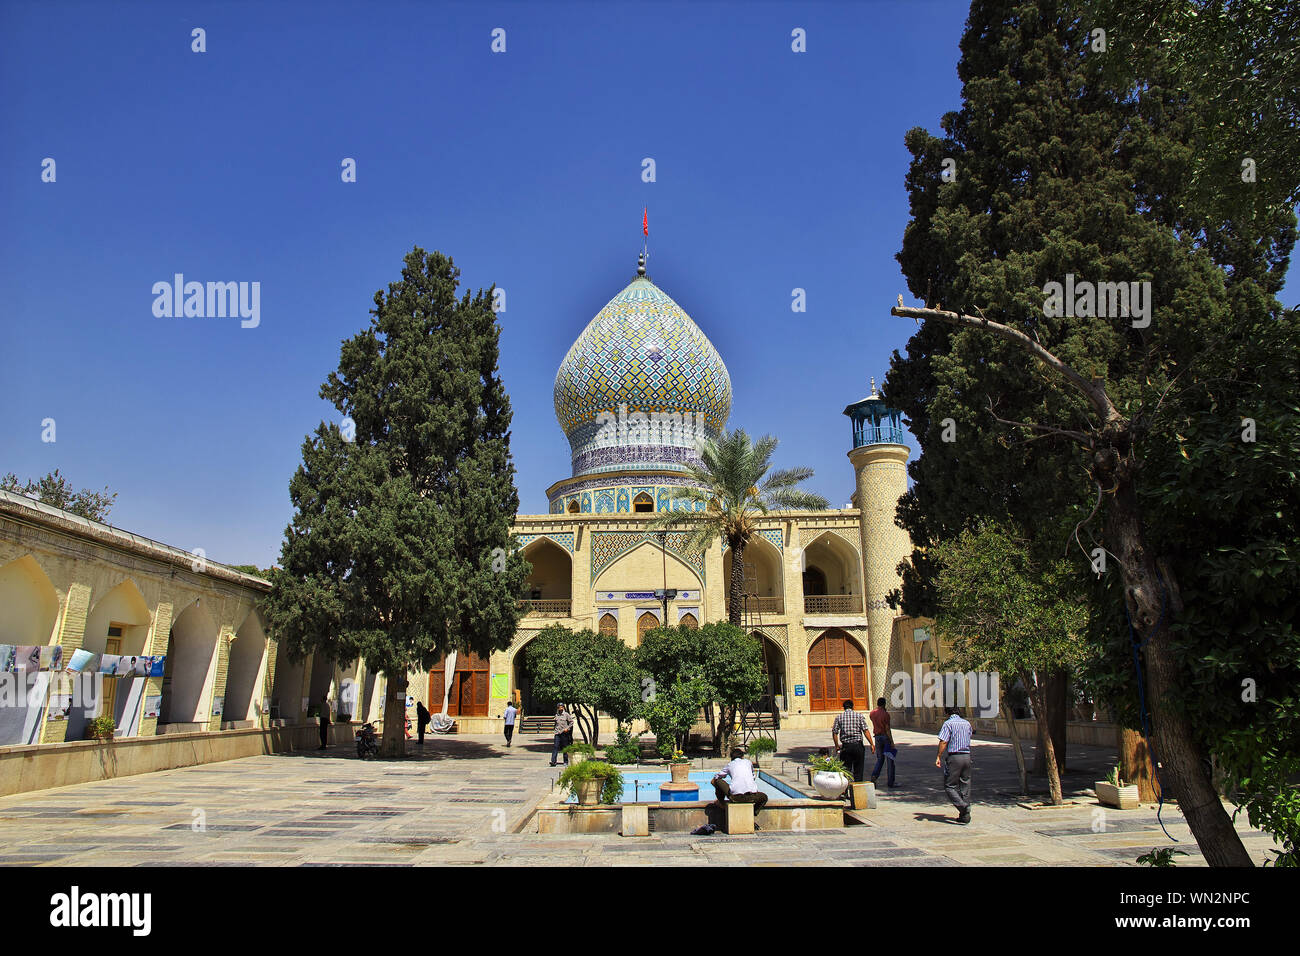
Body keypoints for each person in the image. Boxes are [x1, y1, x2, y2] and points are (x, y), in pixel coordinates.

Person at [936, 706, 974, 823]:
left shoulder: (948, 724)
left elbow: (943, 741)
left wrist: (938, 756)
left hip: (955, 757)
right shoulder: (967, 723)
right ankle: (965, 816)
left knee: (949, 786)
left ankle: (963, 807)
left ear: (947, 713)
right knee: (965, 785)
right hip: (967, 756)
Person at [712, 747, 768, 827]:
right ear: (742, 756)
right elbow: (753, 776)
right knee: (764, 797)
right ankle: (753, 813)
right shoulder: (748, 762)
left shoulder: (730, 764)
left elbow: (718, 776)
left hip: (735, 797)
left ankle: (721, 802)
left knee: (717, 781)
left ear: (732, 758)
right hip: (752, 796)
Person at [832, 699, 873, 783]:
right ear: (852, 707)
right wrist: (872, 744)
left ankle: (845, 790)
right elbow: (865, 730)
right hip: (858, 746)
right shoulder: (859, 716)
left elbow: (834, 732)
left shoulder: (839, 717)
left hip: (846, 746)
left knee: (845, 770)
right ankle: (857, 789)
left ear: (844, 708)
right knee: (858, 769)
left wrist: (836, 746)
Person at [869, 696, 897, 788]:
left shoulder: (872, 713)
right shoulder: (885, 714)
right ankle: (890, 782)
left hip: (877, 737)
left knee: (880, 759)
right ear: (884, 704)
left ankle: (874, 775)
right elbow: (887, 729)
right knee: (890, 760)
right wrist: (892, 742)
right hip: (885, 737)